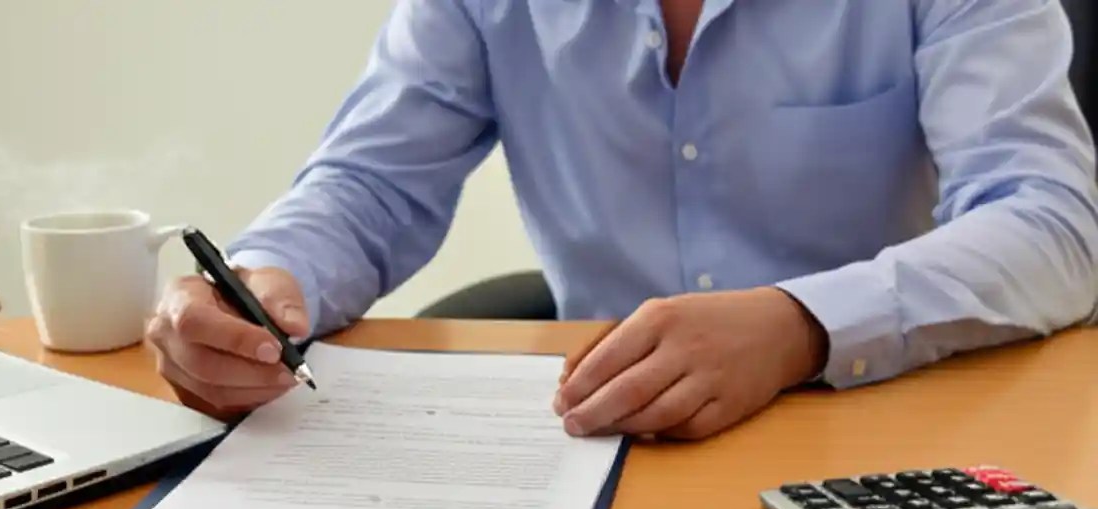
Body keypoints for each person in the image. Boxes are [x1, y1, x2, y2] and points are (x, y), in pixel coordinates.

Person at [146, 0, 1098, 440]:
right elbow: (370, 187)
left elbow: (1052, 221)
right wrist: (268, 281)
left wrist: (801, 324)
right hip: (601, 441)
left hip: (891, 423)